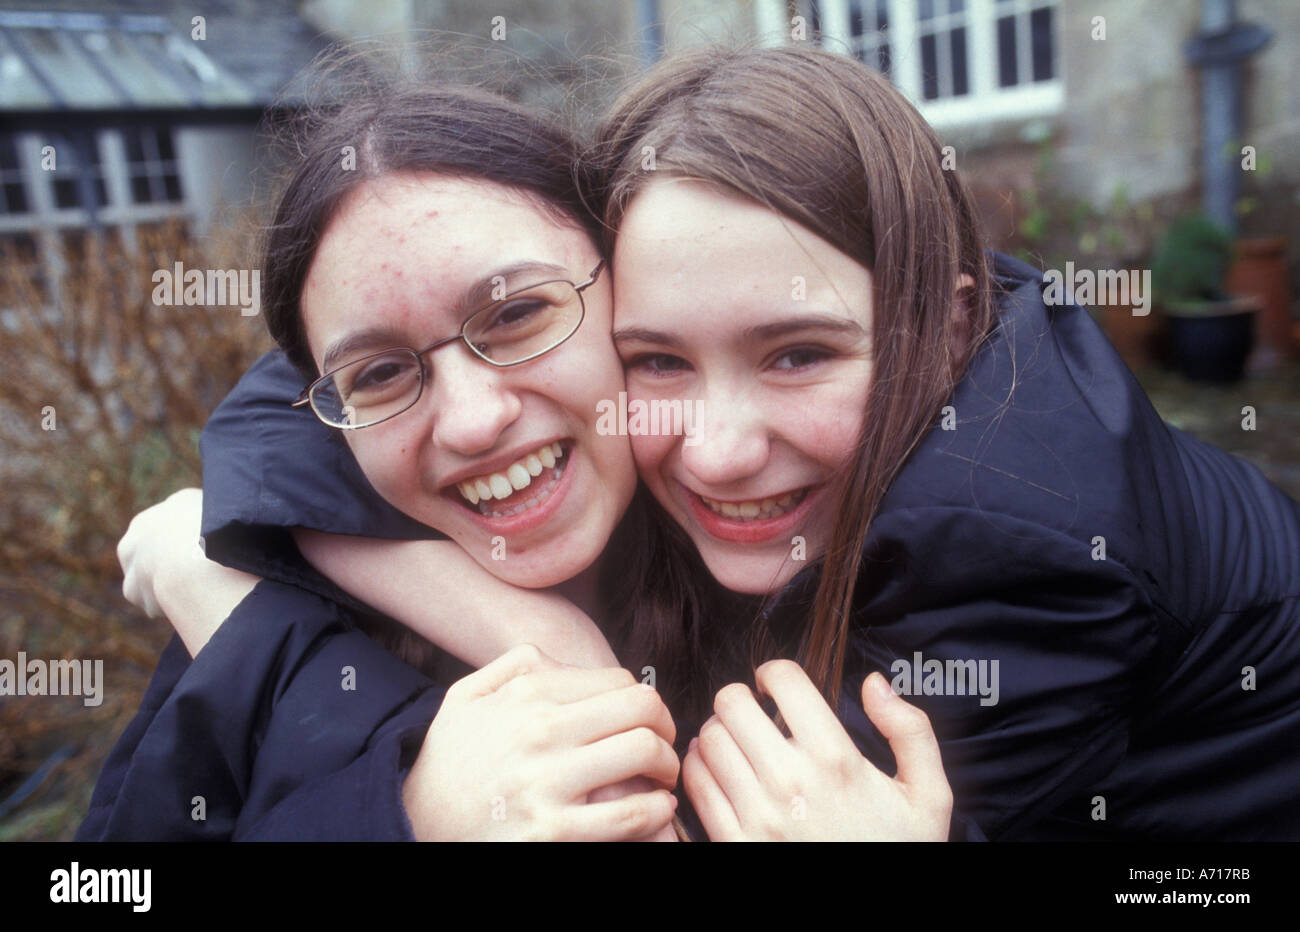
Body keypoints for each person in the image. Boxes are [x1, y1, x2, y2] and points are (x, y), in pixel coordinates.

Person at [109, 42, 1300, 841]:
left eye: (516, 312)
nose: (719, 452)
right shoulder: (345, 478)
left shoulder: (997, 546)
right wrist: (487, 695)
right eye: (662, 356)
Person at [82, 63, 952, 842]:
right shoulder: (249, 622)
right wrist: (403, 819)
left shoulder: (820, 566)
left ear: (625, 282)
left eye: (515, 315)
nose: (470, 421)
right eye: (381, 371)